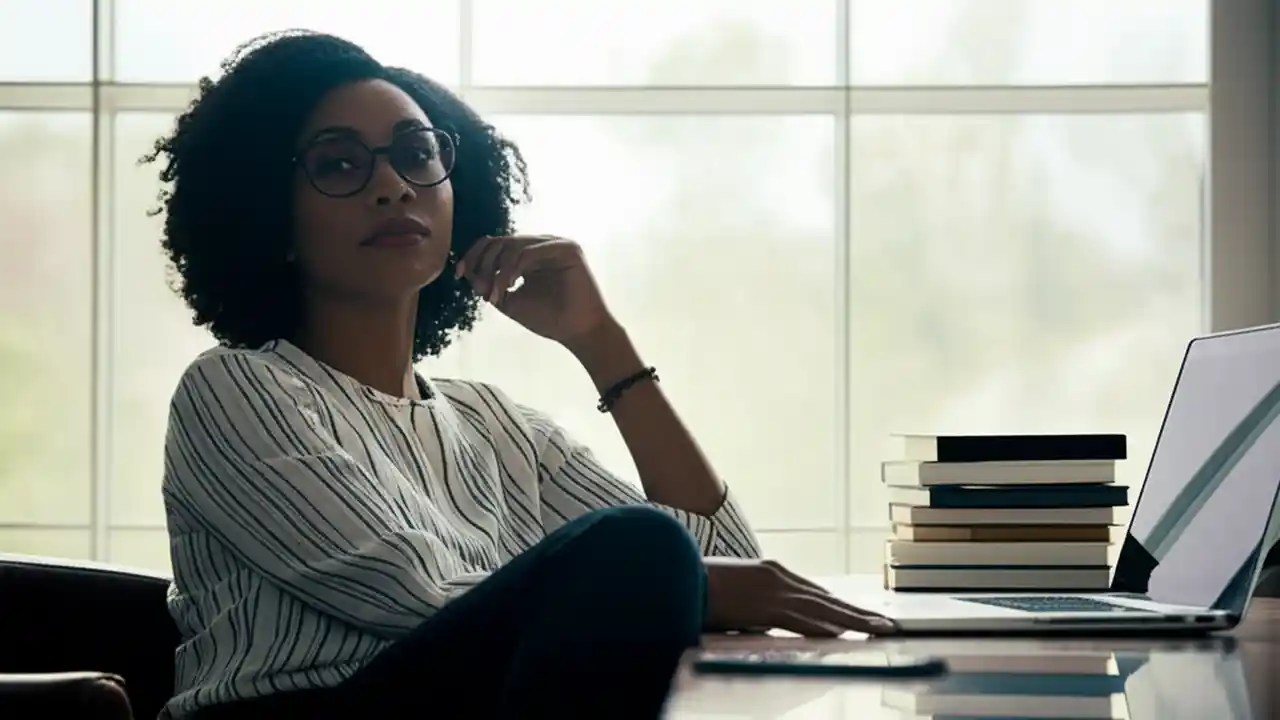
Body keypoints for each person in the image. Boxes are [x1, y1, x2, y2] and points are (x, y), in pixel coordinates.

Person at [148, 30, 894, 720]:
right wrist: (690, 582)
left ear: (457, 195)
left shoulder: (493, 422)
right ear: (266, 214)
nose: (393, 187)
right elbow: (410, 597)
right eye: (340, 164)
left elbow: (721, 561)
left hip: (473, 712)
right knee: (633, 549)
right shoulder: (235, 387)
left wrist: (602, 343)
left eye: (416, 155)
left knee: (641, 552)